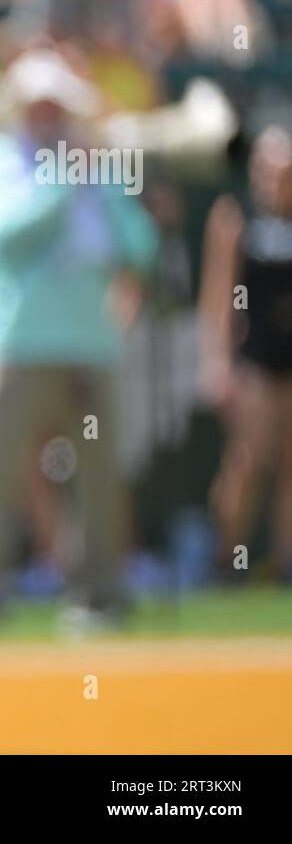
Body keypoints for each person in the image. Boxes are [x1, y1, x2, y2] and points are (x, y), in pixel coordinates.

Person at [0, 49, 159, 626]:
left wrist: (104, 185)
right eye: (37, 104)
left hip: (90, 346)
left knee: (98, 477)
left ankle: (99, 595)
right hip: (12, 343)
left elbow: (140, 247)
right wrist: (67, 179)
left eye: (56, 105)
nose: (46, 115)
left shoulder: (95, 168)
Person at [198, 124, 292, 583]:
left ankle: (282, 565)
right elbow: (219, 292)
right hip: (254, 356)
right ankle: (226, 561)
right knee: (249, 459)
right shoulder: (235, 214)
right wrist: (217, 363)